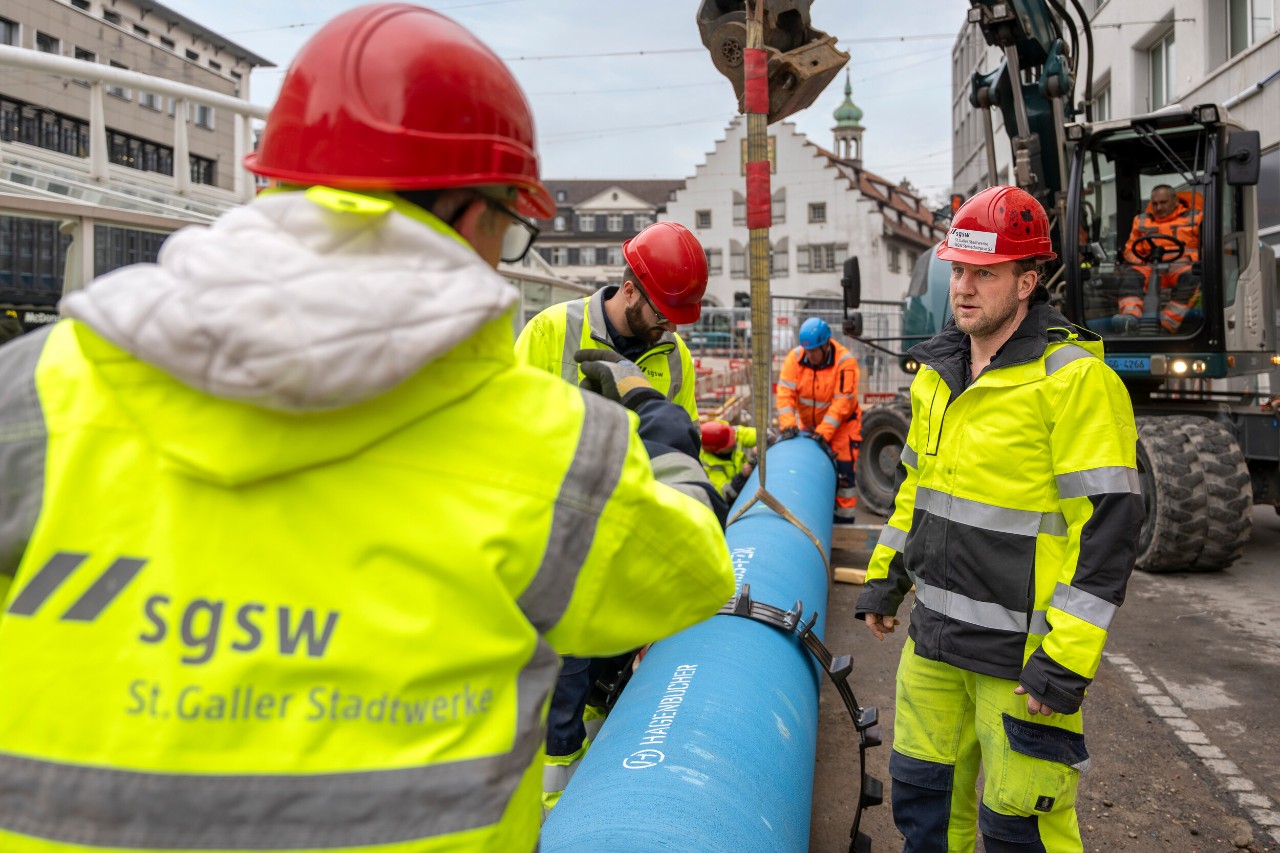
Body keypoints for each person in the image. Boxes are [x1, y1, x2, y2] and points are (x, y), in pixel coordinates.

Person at [0, 6, 735, 852]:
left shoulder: (39, 394)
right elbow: (693, 572)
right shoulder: (542, 446)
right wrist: (657, 426)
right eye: (509, 224)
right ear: (470, 217)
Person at [855, 185, 1144, 852]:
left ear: (1026, 281)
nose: (962, 287)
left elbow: (1106, 533)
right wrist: (885, 578)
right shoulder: (939, 372)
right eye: (958, 270)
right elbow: (915, 492)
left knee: (1021, 830)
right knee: (925, 812)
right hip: (933, 643)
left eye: (983, 273)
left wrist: (1064, 663)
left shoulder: (1074, 381)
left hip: (1021, 662)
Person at [515, 220, 708, 422]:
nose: (672, 328)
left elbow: (687, 439)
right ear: (630, 292)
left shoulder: (677, 356)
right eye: (662, 316)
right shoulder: (549, 330)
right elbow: (512, 416)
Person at [775, 316, 862, 523]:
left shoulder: (844, 361)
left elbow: (843, 403)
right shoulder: (795, 358)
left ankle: (844, 524)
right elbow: (785, 394)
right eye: (807, 351)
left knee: (844, 476)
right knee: (808, 472)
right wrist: (788, 425)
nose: (810, 355)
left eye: (814, 351)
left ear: (825, 346)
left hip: (842, 428)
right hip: (809, 427)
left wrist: (823, 433)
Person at [1115, 184, 1202, 333]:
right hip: (1149, 267)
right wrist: (1144, 263)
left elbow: (1207, 247)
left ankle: (1167, 323)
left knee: (1192, 277)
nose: (1159, 207)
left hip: (1180, 267)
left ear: (1175, 201)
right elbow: (1129, 251)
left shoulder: (1196, 218)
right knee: (1130, 276)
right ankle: (1130, 317)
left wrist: (1190, 259)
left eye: (1163, 202)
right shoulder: (1141, 221)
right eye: (1155, 204)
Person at [699, 418, 759, 503]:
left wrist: (762, 446)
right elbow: (726, 494)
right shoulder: (708, 465)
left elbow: (763, 434)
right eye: (730, 445)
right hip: (734, 501)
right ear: (718, 451)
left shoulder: (735, 433)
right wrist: (741, 476)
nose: (735, 443)